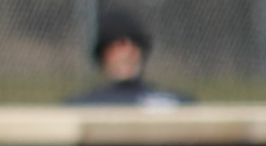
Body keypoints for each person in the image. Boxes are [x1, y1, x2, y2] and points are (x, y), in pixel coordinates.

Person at [66, 9, 195, 107]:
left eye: (135, 45)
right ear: (103, 54)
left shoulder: (170, 103)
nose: (128, 52)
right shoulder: (83, 106)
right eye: (119, 44)